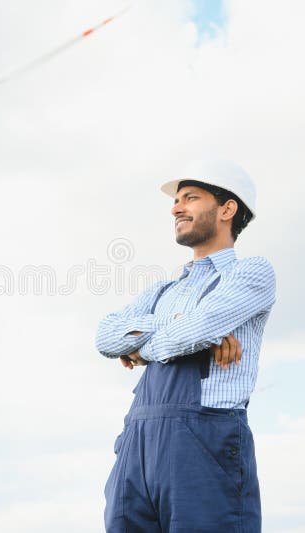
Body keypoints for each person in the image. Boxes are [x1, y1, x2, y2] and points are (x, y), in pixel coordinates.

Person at [95, 159, 276, 532]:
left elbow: (195, 330)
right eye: (176, 200)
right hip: (137, 446)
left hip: (203, 444)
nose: (176, 208)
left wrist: (140, 346)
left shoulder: (251, 272)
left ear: (228, 209)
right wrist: (186, 331)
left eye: (190, 198)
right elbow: (105, 336)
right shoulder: (163, 289)